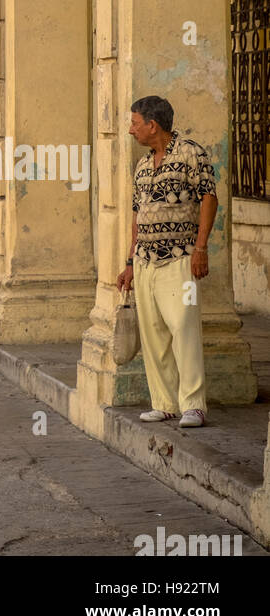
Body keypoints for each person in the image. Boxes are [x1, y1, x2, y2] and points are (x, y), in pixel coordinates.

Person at [116, 96, 218, 428]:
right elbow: (137, 214)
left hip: (180, 259)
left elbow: (208, 197)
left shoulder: (191, 152)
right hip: (145, 260)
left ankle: (194, 405)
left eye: (134, 123)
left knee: (184, 328)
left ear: (152, 125)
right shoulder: (143, 165)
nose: (131, 130)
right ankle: (164, 402)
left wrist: (201, 248)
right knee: (154, 334)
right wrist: (130, 262)